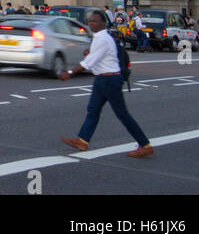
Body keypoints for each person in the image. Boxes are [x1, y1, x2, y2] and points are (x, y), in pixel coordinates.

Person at [59, 9, 153, 158]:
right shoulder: (100, 37)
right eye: (89, 21)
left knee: (122, 114)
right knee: (93, 110)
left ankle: (145, 144)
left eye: (95, 21)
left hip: (110, 80)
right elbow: (96, 54)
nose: (91, 24)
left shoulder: (102, 38)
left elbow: (89, 63)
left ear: (103, 23)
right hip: (102, 79)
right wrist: (89, 51)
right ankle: (83, 140)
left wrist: (70, 73)